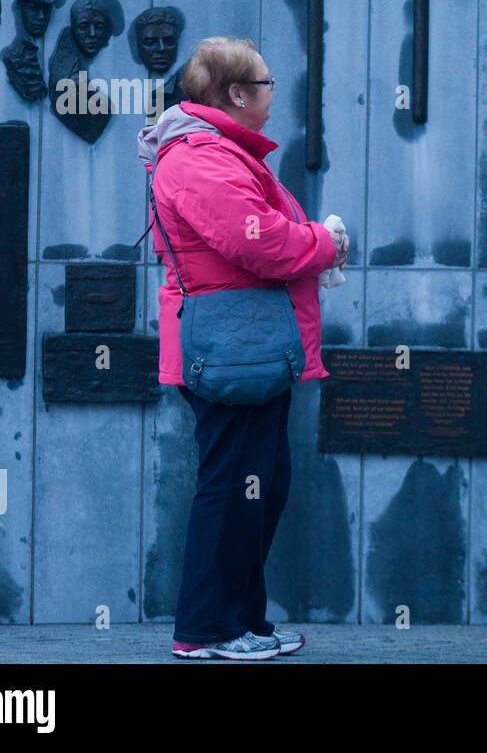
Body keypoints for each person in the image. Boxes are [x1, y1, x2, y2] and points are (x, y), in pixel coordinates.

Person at [136, 36, 349, 660]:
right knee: (233, 484)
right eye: (265, 83)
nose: (271, 94)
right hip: (232, 350)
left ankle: (243, 621)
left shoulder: (218, 151)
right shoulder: (200, 158)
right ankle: (205, 629)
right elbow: (261, 242)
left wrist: (305, 238)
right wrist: (326, 242)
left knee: (262, 481)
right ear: (235, 94)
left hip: (246, 348)